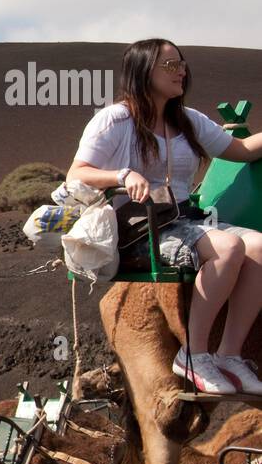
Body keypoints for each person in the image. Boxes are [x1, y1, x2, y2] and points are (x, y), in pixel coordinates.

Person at [67, 37, 262, 395]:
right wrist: (123, 175)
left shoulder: (188, 120)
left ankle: (230, 355)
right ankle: (194, 355)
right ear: (144, 72)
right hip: (141, 226)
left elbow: (241, 150)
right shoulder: (115, 119)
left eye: (182, 64)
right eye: (170, 65)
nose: (181, 71)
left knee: (260, 247)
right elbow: (76, 173)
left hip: (188, 219)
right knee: (229, 247)